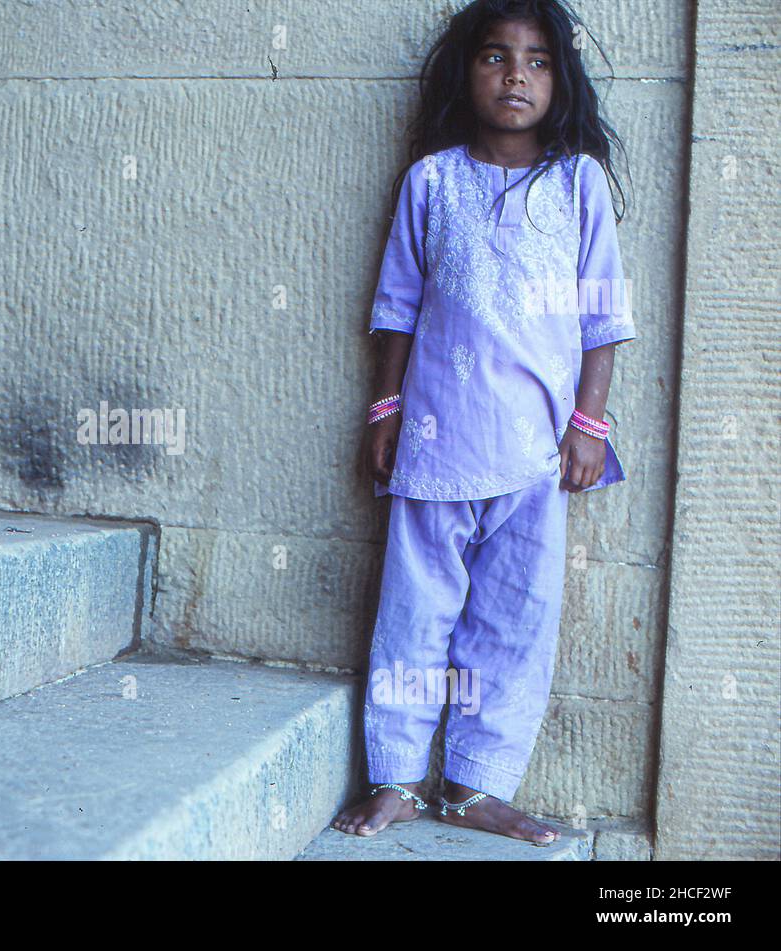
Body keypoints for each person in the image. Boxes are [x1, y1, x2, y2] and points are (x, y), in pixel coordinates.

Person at [332, 0, 635, 844]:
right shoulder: (431, 181)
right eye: (496, 58)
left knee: (514, 619)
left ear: (559, 79)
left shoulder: (577, 183)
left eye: (537, 61)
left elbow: (602, 319)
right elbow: (397, 306)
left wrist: (591, 423)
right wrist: (386, 410)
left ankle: (472, 785)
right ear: (465, 73)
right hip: (435, 440)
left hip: (538, 452)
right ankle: (394, 776)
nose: (515, 76)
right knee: (414, 610)